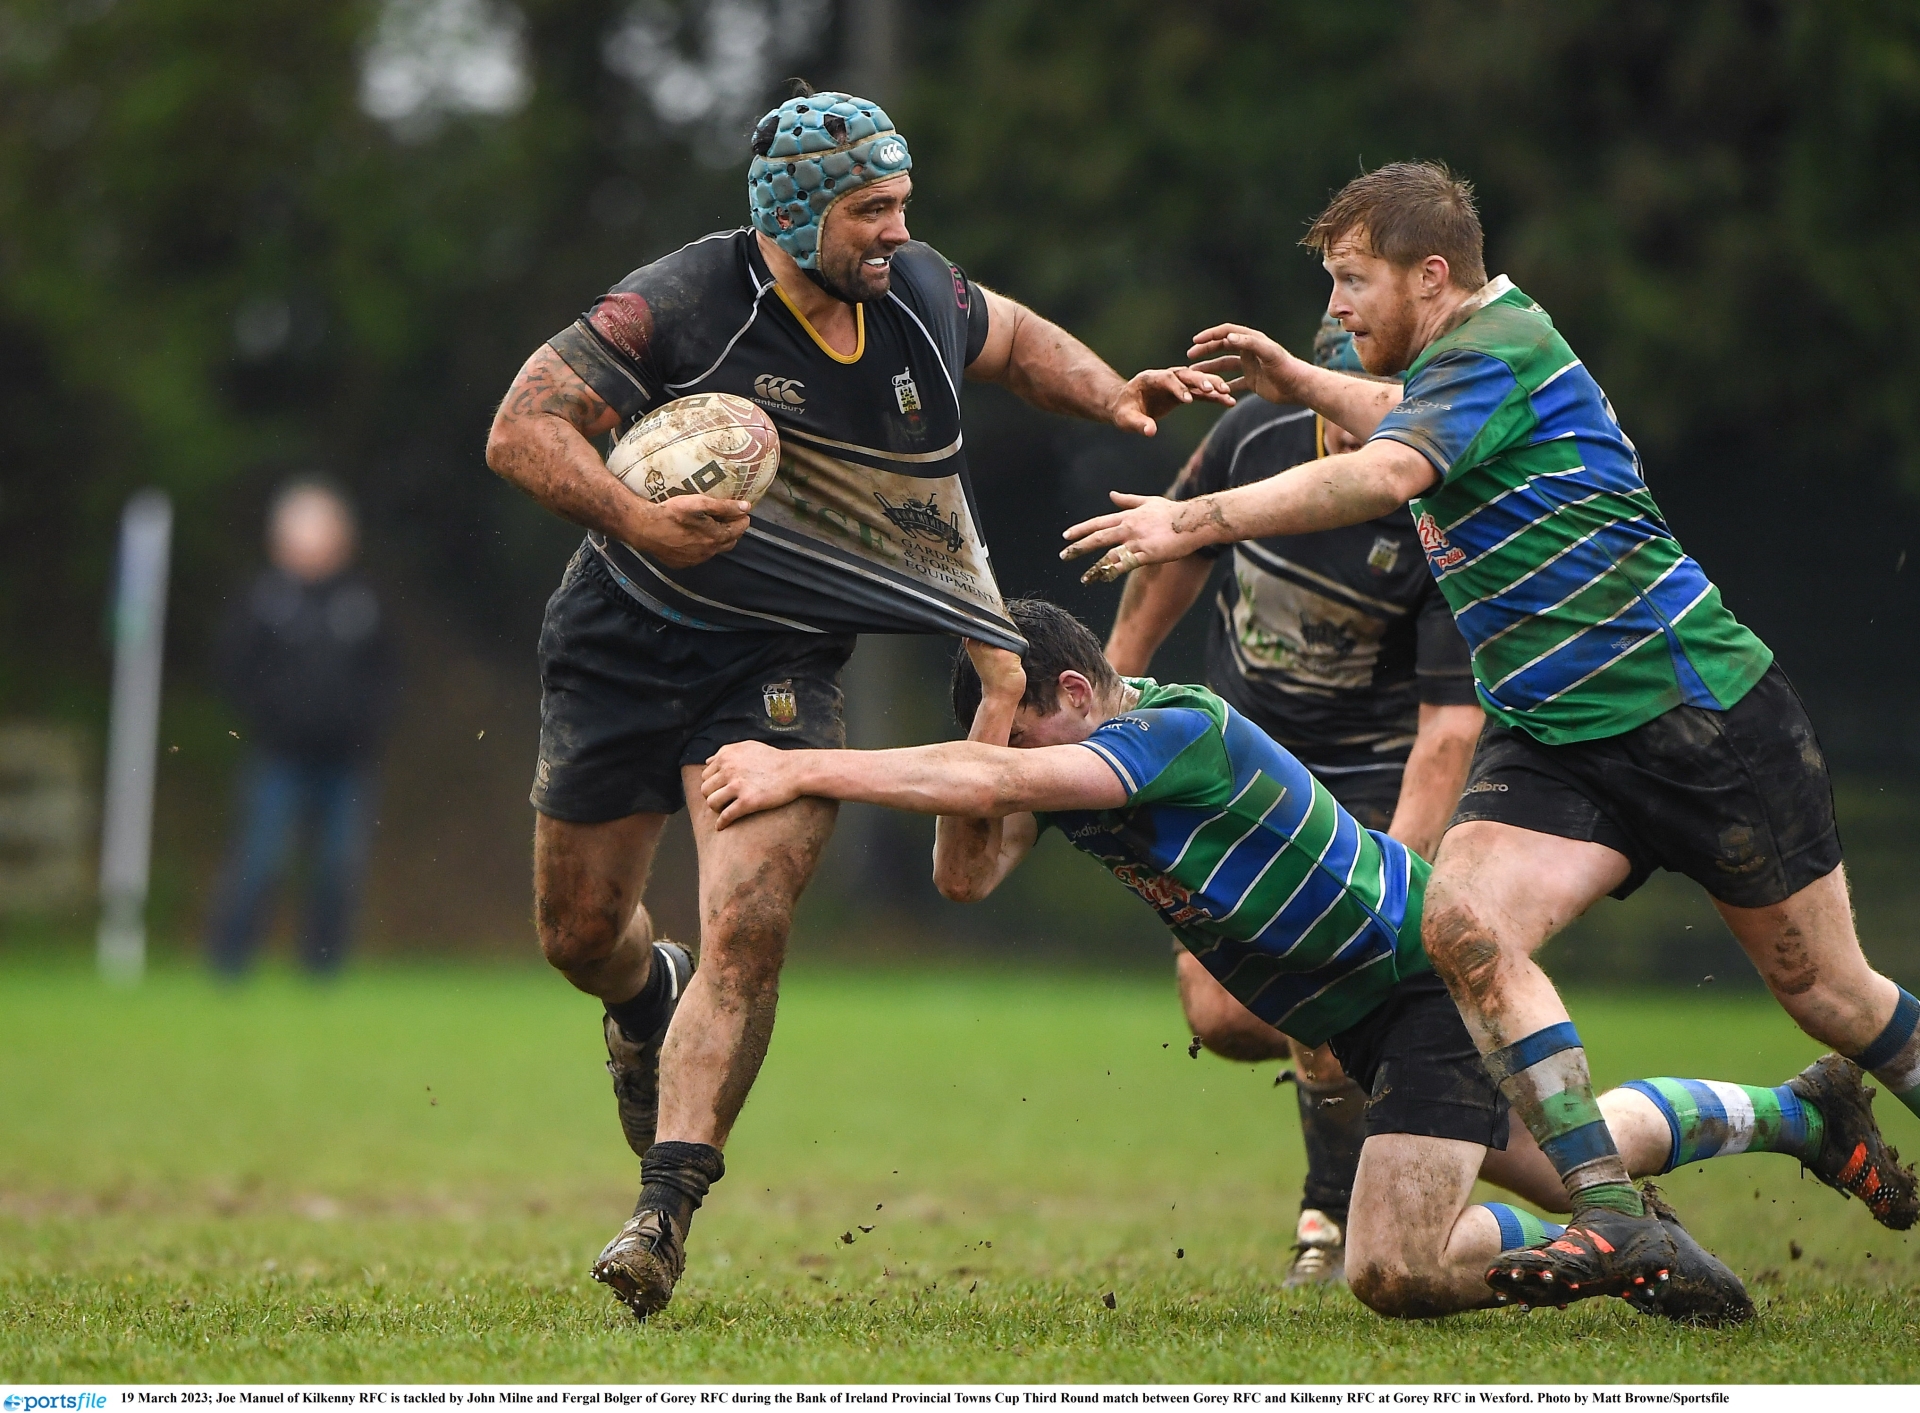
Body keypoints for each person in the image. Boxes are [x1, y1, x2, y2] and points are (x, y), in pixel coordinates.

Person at [1057, 161, 1920, 1311]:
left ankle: (1809, 1109)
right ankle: (1610, 1212)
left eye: (1353, 282)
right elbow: (1396, 421)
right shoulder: (1456, 365)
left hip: (1696, 713)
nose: (1337, 307)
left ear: (1431, 276)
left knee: (1834, 997)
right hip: (1552, 738)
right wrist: (1298, 380)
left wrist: (1194, 519)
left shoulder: (1503, 341)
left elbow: (1387, 470)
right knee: (1456, 929)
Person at [483, 88, 1231, 1321]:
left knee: (750, 920)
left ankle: (663, 1210)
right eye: (870, 211)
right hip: (622, 638)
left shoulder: (918, 295)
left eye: (902, 205)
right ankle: (642, 998)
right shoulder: (682, 302)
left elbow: (1015, 339)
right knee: (578, 935)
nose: (897, 233)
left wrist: (1111, 394)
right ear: (792, 214)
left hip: (778, 663)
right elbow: (522, 430)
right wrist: (638, 520)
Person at [699, 598, 1912, 1322]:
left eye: (1021, 724)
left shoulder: (1169, 730)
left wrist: (801, 764)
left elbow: (993, 781)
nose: (1012, 758)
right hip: (1358, 1018)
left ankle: (1617, 1257)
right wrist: (987, 711)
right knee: (1568, 1158)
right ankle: (1802, 1116)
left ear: (1076, 691)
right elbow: (966, 871)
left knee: (1393, 1272)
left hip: (1420, 985)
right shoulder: (1053, 753)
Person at [1104, 317, 1483, 1287]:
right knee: (1220, 1015)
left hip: (1371, 772)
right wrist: (1109, 691)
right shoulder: (1256, 436)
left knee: (1332, 972)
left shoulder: (1443, 502)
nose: (1364, 443)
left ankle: (1330, 1212)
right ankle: (1399, 1061)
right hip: (1247, 762)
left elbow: (1449, 728)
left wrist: (1394, 882)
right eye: (1345, 415)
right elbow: (1174, 553)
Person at [207, 480, 395, 977]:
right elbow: (234, 670)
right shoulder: (262, 599)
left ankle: (322, 971)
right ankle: (229, 965)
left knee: (338, 870)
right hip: (278, 757)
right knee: (259, 862)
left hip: (347, 761)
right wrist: (270, 719)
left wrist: (366, 725)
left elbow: (386, 675)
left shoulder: (363, 600)